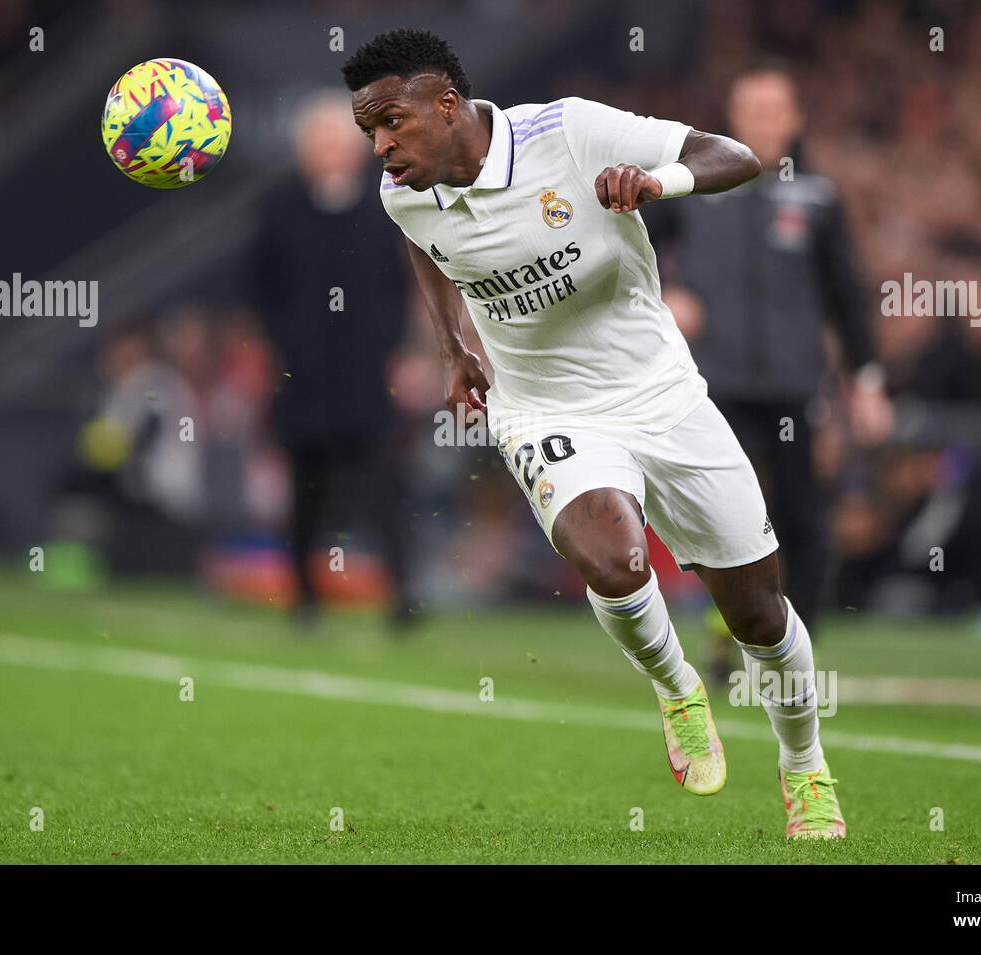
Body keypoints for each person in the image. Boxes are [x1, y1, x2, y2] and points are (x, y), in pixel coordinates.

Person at [343, 29, 844, 839]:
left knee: (759, 613)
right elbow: (426, 245)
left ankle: (805, 765)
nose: (381, 146)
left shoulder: (569, 131)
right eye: (371, 131)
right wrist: (452, 344)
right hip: (543, 408)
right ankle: (677, 686)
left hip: (662, 394)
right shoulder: (406, 192)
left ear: (447, 105)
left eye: (391, 122)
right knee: (612, 556)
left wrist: (656, 181)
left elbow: (738, 156)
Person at [651, 65, 889, 653]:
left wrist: (867, 380)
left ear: (795, 119)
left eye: (773, 109)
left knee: (802, 515)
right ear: (732, 118)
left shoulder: (817, 198)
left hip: (793, 385)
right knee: (721, 514)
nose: (761, 121)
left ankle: (796, 643)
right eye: (750, 109)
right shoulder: (694, 187)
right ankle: (727, 632)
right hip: (712, 383)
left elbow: (846, 297)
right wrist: (663, 291)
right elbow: (629, 242)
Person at [252, 90, 415, 627]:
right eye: (317, 141)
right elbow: (259, 287)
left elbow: (404, 286)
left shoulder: (388, 204)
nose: (327, 151)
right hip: (303, 377)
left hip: (368, 376)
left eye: (336, 141)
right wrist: (284, 344)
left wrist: (402, 349)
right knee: (305, 490)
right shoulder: (279, 207)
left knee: (384, 486)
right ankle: (304, 597)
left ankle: (403, 596)